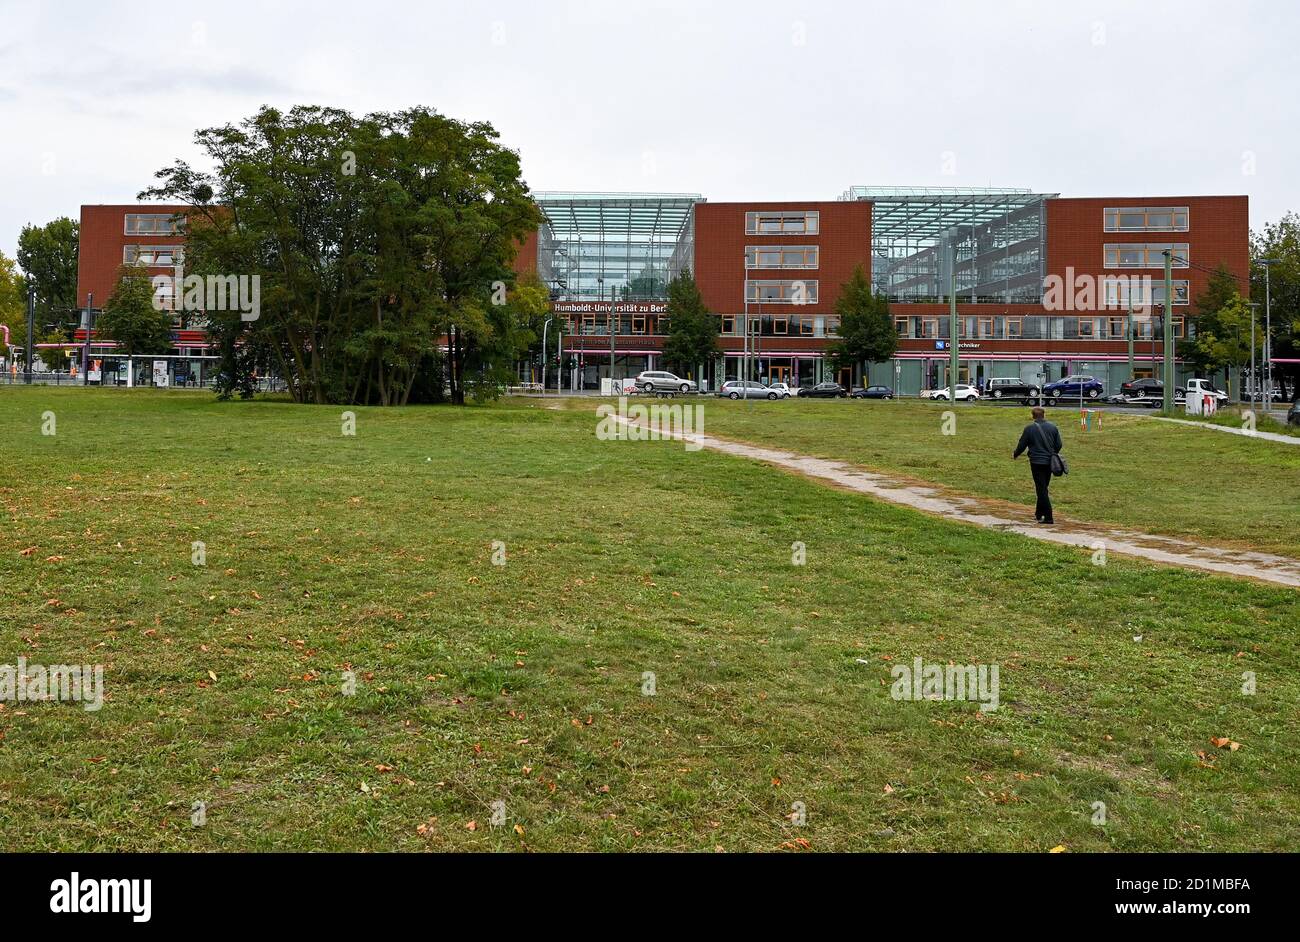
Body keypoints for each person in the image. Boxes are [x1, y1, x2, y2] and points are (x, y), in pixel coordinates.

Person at [1012, 406, 1063, 524]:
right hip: (1050, 461)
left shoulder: (1029, 429)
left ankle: (1049, 517)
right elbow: (1059, 444)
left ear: (1033, 416)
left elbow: (1022, 444)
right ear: (1044, 415)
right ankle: (1039, 513)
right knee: (1043, 487)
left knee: (1041, 489)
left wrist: (1016, 454)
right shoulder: (1053, 427)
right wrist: (1052, 453)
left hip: (1036, 462)